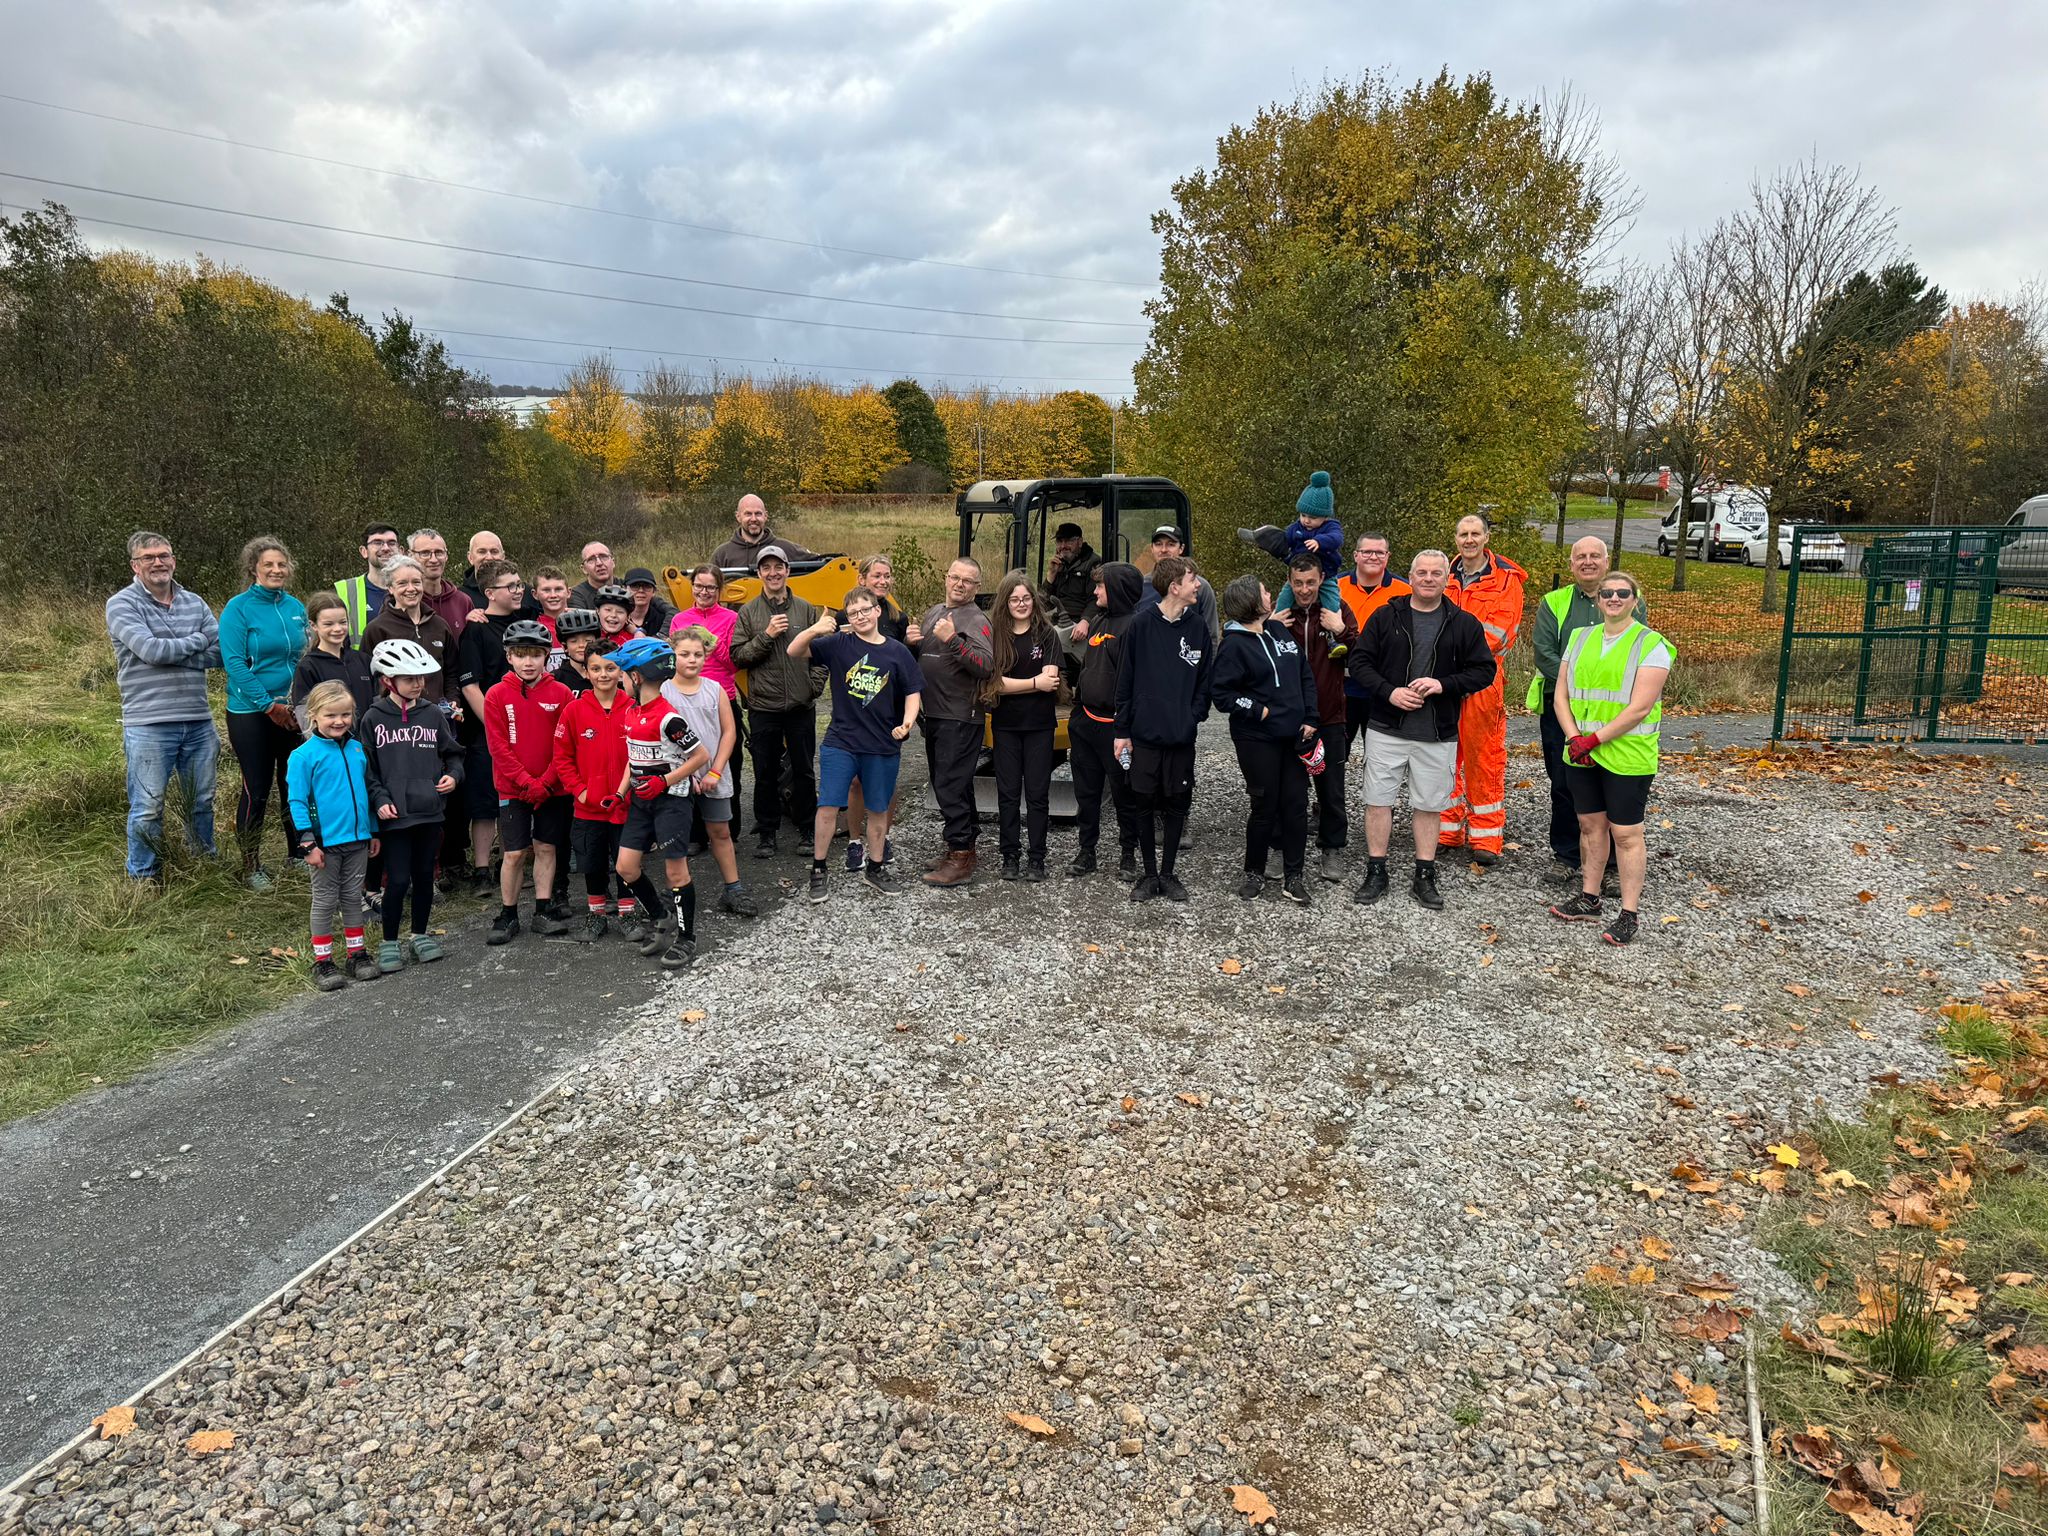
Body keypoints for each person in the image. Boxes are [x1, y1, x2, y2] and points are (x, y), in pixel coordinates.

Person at [1347, 551, 1495, 911]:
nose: (1429, 578)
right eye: (1422, 572)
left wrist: (1444, 684)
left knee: (1429, 805)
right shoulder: (1386, 616)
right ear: (1409, 578)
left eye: (1436, 573)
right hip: (1386, 726)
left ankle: (1424, 874)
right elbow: (1359, 662)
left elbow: (1483, 671)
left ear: (1448, 579)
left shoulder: (1463, 623)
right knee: (1378, 800)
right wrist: (1389, 692)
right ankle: (1376, 870)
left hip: (1437, 731)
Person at [1548, 570, 1673, 947]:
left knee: (1626, 834)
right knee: (1590, 827)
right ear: (1598, 599)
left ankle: (1629, 913)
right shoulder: (1579, 637)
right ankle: (1589, 896)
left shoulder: (1651, 644)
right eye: (1607, 593)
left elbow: (1639, 708)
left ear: (1635, 599)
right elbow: (1561, 696)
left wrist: (1593, 740)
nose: (1614, 598)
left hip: (1626, 755)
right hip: (1582, 753)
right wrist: (1573, 738)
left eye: (1622, 593)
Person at [786, 590, 922, 902]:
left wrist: (908, 721)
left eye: (865, 609)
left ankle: (875, 868)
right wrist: (815, 629)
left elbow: (913, 690)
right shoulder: (838, 645)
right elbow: (795, 650)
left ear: (877, 612)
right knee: (828, 806)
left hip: (882, 744)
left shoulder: (898, 652)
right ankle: (818, 869)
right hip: (841, 741)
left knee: (877, 808)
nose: (860, 616)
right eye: (853, 612)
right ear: (848, 616)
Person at [1527, 536, 1647, 891]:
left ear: (1607, 561)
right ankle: (1566, 855)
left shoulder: (1628, 599)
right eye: (1581, 556)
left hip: (1614, 716)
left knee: (1613, 785)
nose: (1588, 562)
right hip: (1563, 713)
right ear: (1571, 564)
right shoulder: (1554, 602)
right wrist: (1573, 696)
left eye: (1596, 555)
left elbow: (1636, 652)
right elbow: (1544, 654)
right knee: (1565, 784)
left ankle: (1611, 864)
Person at [106, 531, 221, 883]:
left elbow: (220, 655)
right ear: (135, 566)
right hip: (149, 723)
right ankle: (144, 876)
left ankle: (202, 864)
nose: (158, 562)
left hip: (199, 720)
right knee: (148, 807)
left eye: (164, 555)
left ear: (173, 559)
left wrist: (173, 652)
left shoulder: (195, 602)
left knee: (201, 800)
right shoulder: (122, 604)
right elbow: (151, 651)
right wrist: (197, 641)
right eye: (148, 557)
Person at [1211, 573, 1319, 904]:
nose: (1271, 594)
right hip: (1257, 740)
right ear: (1250, 601)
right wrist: (1259, 711)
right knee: (1265, 806)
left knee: (1296, 805)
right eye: (1264, 592)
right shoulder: (1233, 645)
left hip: (1295, 737)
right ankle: (1254, 873)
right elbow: (1222, 694)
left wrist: (1311, 717)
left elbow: (1304, 674)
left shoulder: (1277, 629)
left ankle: (1294, 876)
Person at [1113, 556, 1213, 903]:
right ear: (1174, 587)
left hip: (1180, 737)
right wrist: (1121, 731)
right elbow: (1124, 683)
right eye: (1192, 579)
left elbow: (1205, 682)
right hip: (1144, 736)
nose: (1197, 585)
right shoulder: (1140, 625)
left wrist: (1192, 716)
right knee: (1142, 802)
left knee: (1177, 803)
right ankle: (1148, 874)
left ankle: (1169, 874)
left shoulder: (1198, 627)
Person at [360, 638, 461, 971]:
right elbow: (368, 769)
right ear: (388, 680)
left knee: (422, 876)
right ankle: (390, 940)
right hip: (395, 816)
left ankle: (419, 934)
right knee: (398, 880)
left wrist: (454, 776)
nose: (418, 683)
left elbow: (452, 754)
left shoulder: (432, 714)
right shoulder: (373, 718)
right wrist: (380, 799)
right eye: (408, 678)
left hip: (430, 811)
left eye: (421, 677)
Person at [613, 635, 710, 970]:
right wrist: (620, 791)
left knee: (674, 870)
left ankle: (687, 938)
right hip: (642, 800)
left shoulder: (668, 718)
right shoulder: (631, 712)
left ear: (636, 677)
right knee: (625, 867)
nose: (620, 680)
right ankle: (661, 916)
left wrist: (664, 782)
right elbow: (634, 758)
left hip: (672, 801)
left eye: (622, 674)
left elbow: (700, 755)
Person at [218, 534, 309, 890]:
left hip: (293, 710)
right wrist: (268, 705)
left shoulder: (295, 607)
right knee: (256, 787)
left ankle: (297, 853)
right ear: (253, 568)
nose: (276, 569)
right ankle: (251, 864)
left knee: (293, 783)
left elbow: (303, 656)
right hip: (251, 712)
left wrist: (297, 704)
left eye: (281, 564)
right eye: (268, 564)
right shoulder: (237, 609)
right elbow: (235, 663)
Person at [1440, 512, 1528, 866]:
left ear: (1487, 537)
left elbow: (1498, 633)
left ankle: (1486, 837)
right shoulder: (1442, 575)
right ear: (1456, 538)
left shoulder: (1506, 581)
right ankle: (1448, 828)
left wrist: (1450, 660)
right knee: (1445, 757)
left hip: (1482, 683)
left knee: (1483, 759)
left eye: (1476, 533)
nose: (1470, 539)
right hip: (1445, 683)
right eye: (1464, 533)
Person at [483, 619, 573, 944]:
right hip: (513, 789)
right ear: (509, 657)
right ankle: (508, 914)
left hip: (553, 788)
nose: (528, 662)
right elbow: (498, 747)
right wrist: (526, 782)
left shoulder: (561, 692)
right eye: (521, 655)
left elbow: (565, 743)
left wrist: (546, 783)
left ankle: (543, 910)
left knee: (547, 848)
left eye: (535, 654)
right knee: (514, 853)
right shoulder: (496, 695)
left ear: (546, 655)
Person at [730, 546, 823, 858]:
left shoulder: (807, 610)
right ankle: (766, 832)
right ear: (759, 574)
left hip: (801, 707)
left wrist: (814, 686)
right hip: (763, 708)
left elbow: (821, 654)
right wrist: (766, 635)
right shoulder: (748, 612)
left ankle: (807, 828)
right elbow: (738, 657)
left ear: (787, 570)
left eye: (778, 566)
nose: (773, 573)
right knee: (764, 772)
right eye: (766, 567)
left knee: (804, 771)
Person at [662, 626, 760, 917]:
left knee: (720, 831)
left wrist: (716, 771)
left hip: (713, 774)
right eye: (684, 654)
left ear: (706, 656)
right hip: (677, 776)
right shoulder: (663, 690)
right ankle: (673, 893)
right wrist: (683, 773)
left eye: (697, 654)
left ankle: (733, 889)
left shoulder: (714, 689)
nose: (691, 660)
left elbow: (729, 732)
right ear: (673, 656)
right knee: (675, 835)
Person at [286, 680, 378, 991]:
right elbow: (297, 801)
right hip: (324, 844)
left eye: (346, 715)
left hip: (357, 840)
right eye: (330, 716)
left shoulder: (356, 749)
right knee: (325, 900)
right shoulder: (302, 756)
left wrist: (372, 831)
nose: (339, 721)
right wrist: (307, 842)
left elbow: (364, 792)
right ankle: (323, 961)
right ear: (313, 715)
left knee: (353, 897)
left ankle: (357, 954)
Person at [912, 557, 995, 887]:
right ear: (946, 579)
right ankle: (963, 847)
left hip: (960, 717)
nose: (959, 584)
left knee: (949, 785)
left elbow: (986, 665)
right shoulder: (935, 611)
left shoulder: (976, 620)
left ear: (976, 587)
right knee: (951, 783)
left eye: (968, 581)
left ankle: (960, 857)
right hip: (935, 715)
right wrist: (913, 642)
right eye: (955, 577)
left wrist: (953, 640)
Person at [1279, 552, 1359, 882]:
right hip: (1288, 717)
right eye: (1298, 583)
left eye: (1311, 582)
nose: (1305, 589)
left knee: (1330, 786)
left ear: (1321, 579)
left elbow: (1362, 655)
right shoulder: (1281, 614)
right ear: (1289, 582)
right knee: (1286, 788)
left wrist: (1341, 631)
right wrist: (1269, 627)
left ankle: (1332, 848)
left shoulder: (1338, 610)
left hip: (1329, 715)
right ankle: (1280, 847)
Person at [552, 643, 638, 943]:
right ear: (586, 673)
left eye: (610, 668)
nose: (604, 674)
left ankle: (628, 914)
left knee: (626, 862)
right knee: (593, 861)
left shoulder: (633, 709)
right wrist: (580, 790)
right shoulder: (573, 711)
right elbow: (562, 758)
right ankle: (596, 914)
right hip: (588, 806)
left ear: (620, 671)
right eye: (597, 668)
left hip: (625, 804)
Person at [984, 570, 1062, 881]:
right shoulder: (996, 635)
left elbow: (1052, 680)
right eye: (1015, 599)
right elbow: (993, 684)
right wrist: (1033, 682)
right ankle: (1010, 856)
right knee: (1008, 792)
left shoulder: (1047, 634)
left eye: (1026, 598)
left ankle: (1037, 858)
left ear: (1034, 601)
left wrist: (1014, 683)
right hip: (1005, 725)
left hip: (1040, 725)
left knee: (1038, 793)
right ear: (1005, 602)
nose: (1021, 603)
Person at [1067, 562, 1143, 881]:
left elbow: (1136, 685)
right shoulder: (1098, 619)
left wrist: (1126, 729)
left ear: (1118, 590)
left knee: (1124, 793)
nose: (1095, 591)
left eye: (1101, 586)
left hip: (1118, 731)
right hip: (1086, 724)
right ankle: (1087, 851)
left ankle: (1128, 854)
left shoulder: (1135, 628)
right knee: (1086, 793)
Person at [455, 558, 525, 896]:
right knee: (484, 801)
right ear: (489, 593)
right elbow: (471, 686)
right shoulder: (476, 629)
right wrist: (497, 729)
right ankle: (482, 870)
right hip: (487, 730)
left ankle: (507, 861)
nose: (517, 590)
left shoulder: (526, 622)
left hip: (525, 728)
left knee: (513, 798)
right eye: (510, 586)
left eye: (519, 584)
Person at [840, 554, 907, 869]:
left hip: (887, 712)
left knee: (886, 780)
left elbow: (907, 665)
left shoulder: (898, 618)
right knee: (856, 781)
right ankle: (855, 840)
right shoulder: (846, 615)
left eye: (887, 576)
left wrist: (915, 643)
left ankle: (882, 837)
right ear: (862, 579)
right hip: (854, 710)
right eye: (876, 576)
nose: (882, 581)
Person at [671, 563, 745, 848]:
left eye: (710, 587)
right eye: (699, 586)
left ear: (719, 590)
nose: (704, 592)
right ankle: (695, 835)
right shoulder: (680, 619)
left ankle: (730, 828)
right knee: (687, 763)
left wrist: (716, 649)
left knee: (727, 763)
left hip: (720, 697)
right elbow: (672, 660)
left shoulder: (730, 618)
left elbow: (735, 663)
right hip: (685, 700)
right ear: (692, 587)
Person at [1337, 532, 1409, 757]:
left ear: (1387, 556)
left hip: (1382, 687)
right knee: (1336, 754)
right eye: (1367, 551)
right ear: (1356, 555)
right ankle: (1333, 792)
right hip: (1341, 685)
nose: (1373, 557)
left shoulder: (1405, 591)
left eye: (1379, 552)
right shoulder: (1335, 586)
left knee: (1382, 758)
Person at [1246, 471, 1346, 632]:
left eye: (1312, 517)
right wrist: (1278, 543)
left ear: (1325, 517)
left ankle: (1332, 636)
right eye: (1303, 515)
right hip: (1298, 569)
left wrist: (1320, 541)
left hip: (1326, 575)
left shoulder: (1330, 527)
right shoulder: (1297, 527)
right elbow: (1287, 538)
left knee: (1332, 604)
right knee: (1284, 597)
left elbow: (1337, 538)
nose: (1306, 520)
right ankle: (1276, 626)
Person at [361, 556, 458, 706]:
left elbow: (452, 671)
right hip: (396, 721)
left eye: (416, 582)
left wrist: (453, 701)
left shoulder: (440, 625)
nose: (411, 588)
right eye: (402, 583)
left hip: (438, 716)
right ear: (390, 588)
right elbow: (368, 677)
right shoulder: (377, 629)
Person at [290, 593, 375, 722]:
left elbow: (377, 702)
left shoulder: (363, 660)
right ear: (313, 625)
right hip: (332, 741)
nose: (337, 629)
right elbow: (304, 715)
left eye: (343, 622)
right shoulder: (308, 667)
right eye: (328, 624)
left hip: (368, 740)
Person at [1134, 526, 1219, 644]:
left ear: (1181, 548)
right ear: (1151, 548)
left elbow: (1211, 636)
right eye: (1158, 544)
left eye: (1171, 544)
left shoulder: (1201, 587)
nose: (1163, 550)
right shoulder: (1140, 586)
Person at [711, 492, 816, 571]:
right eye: (748, 514)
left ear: (765, 516)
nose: (753, 519)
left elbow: (822, 563)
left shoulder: (786, 548)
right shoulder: (722, 554)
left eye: (758, 514)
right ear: (738, 517)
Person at [334, 524, 400, 644]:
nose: (385, 548)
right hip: (357, 662)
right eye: (377, 542)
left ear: (401, 551)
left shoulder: (414, 589)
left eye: (391, 543)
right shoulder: (343, 591)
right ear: (364, 551)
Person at [406, 528, 473, 633]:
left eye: (439, 552)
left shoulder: (463, 602)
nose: (433, 559)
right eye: (425, 553)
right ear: (410, 556)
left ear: (446, 556)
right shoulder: (403, 601)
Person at [1043, 521, 1101, 624]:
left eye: (1068, 541)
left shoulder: (1092, 563)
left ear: (1080, 542)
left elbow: (1096, 600)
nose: (1063, 546)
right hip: (1058, 618)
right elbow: (1044, 604)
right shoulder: (1059, 564)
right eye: (1059, 541)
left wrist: (1085, 621)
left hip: (1079, 622)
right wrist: (1051, 575)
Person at [550, 609, 602, 696]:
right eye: (574, 641)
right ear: (564, 647)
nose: (581, 645)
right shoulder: (556, 679)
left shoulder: (606, 675)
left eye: (588, 640)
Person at [623, 567, 677, 638]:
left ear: (654, 591)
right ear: (624, 589)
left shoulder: (662, 618)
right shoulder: (617, 618)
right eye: (635, 586)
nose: (641, 590)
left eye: (647, 586)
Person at [532, 565, 573, 654]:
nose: (553, 595)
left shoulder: (585, 624)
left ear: (568, 592)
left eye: (558, 589)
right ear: (535, 594)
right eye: (546, 590)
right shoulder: (533, 631)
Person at [570, 541, 618, 610]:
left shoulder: (627, 586)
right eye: (591, 560)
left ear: (613, 562)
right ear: (584, 569)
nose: (599, 563)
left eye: (603, 557)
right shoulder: (576, 595)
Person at [594, 584, 636, 649]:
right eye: (608, 610)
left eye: (620, 612)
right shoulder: (589, 637)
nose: (613, 615)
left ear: (628, 617)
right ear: (598, 611)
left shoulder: (632, 642)